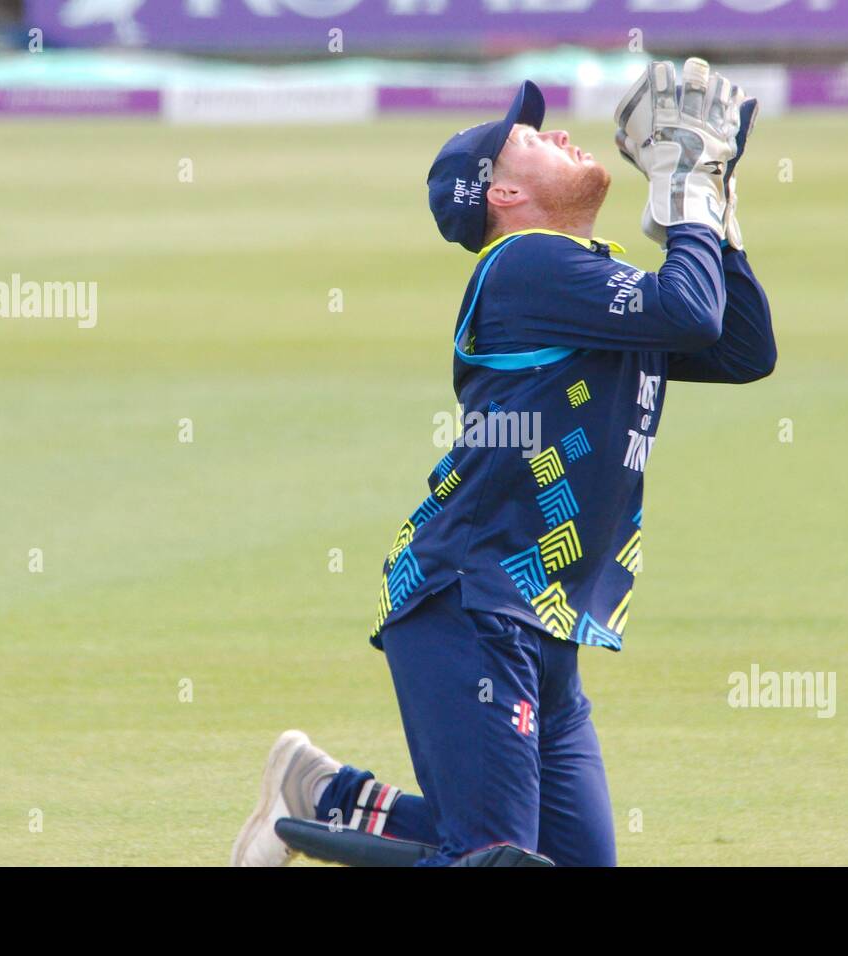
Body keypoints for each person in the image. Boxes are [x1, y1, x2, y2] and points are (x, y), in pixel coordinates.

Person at [232, 59, 776, 867]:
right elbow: (692, 314)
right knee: (495, 859)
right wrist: (685, 187)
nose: (561, 133)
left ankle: (323, 794)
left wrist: (716, 204)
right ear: (504, 196)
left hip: (543, 619)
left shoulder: (583, 281)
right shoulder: (525, 266)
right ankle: (314, 819)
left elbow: (741, 348)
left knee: (533, 857)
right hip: (471, 599)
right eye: (533, 137)